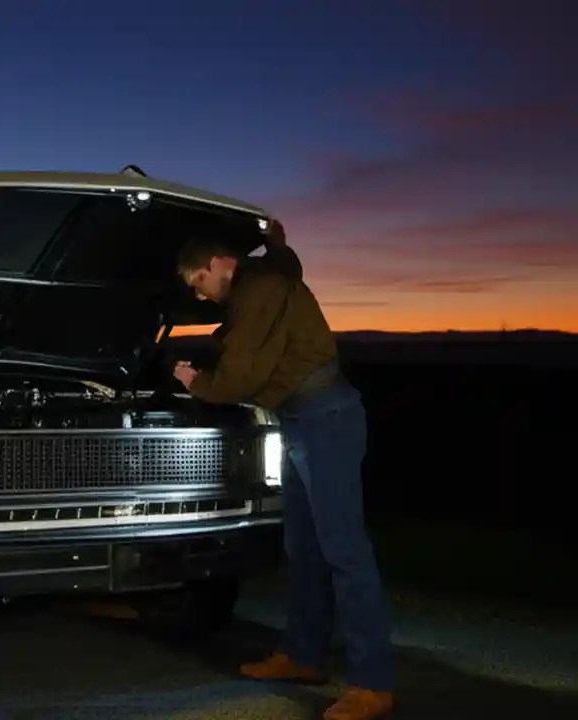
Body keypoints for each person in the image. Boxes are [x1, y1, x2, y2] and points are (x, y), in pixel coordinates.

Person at [171, 220, 395, 720]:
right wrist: (278, 244)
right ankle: (302, 656)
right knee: (305, 546)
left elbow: (241, 372)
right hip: (298, 418)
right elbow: (286, 263)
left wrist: (195, 381)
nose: (201, 297)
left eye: (197, 283)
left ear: (217, 263)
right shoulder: (271, 273)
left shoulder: (260, 290)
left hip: (325, 418)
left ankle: (372, 682)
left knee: (344, 549)